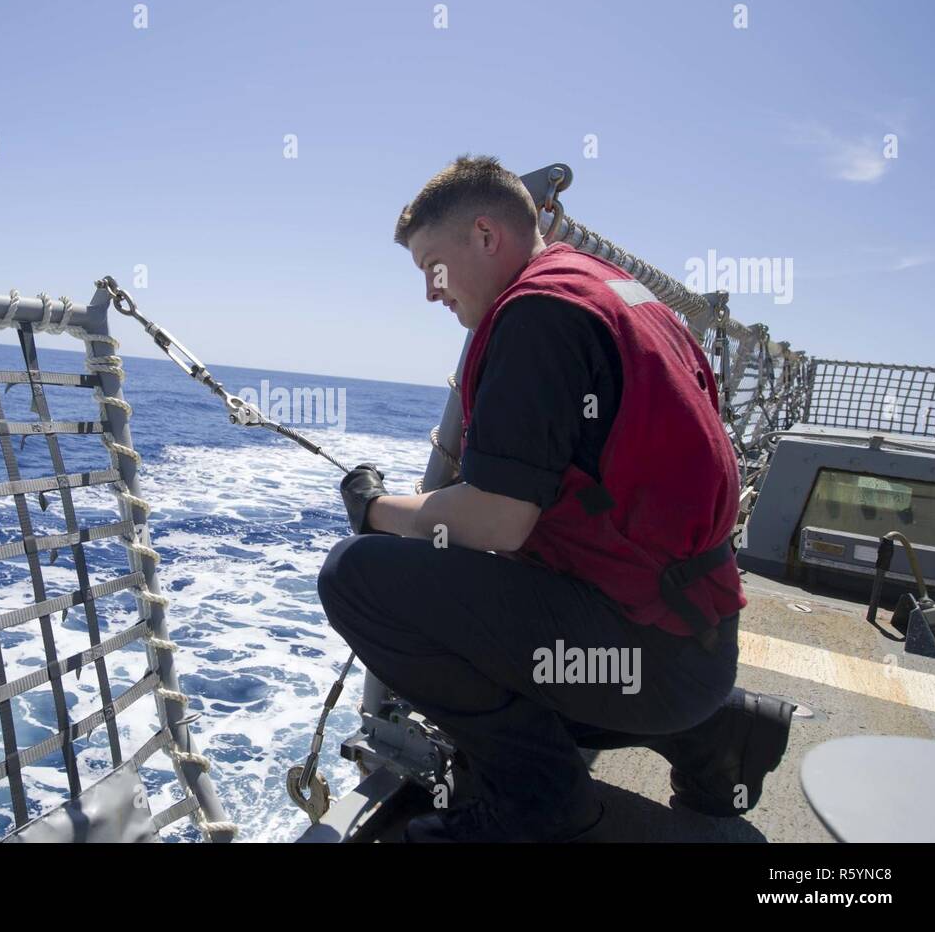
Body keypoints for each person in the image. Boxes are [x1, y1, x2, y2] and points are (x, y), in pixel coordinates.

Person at [316, 155, 794, 842]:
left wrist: (373, 508)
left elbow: (497, 522)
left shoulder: (535, 317)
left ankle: (535, 805)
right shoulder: (612, 291)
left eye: (433, 267)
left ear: (486, 235)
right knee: (493, 652)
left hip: (650, 654)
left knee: (355, 575)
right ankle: (714, 733)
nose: (430, 292)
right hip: (695, 642)